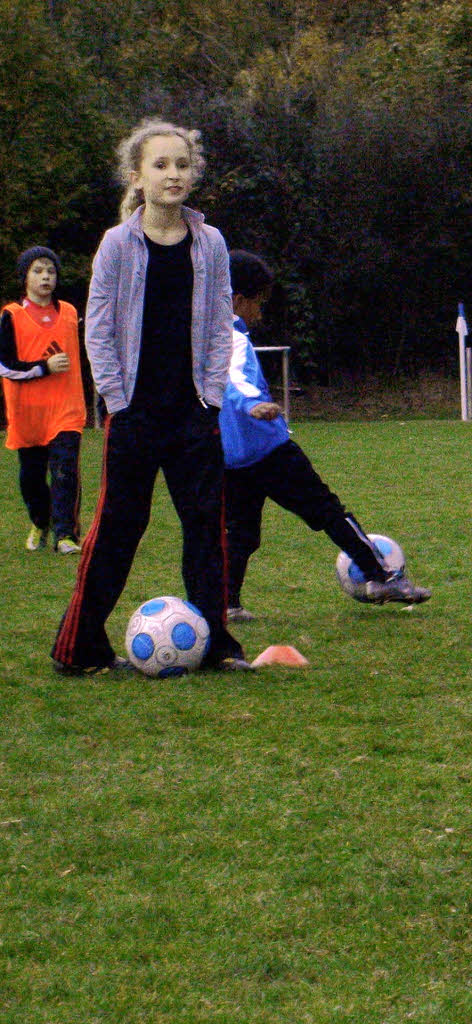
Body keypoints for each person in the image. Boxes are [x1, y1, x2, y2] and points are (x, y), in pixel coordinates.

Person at [51, 119, 251, 674]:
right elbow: (98, 329)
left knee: (206, 530)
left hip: (194, 415)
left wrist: (211, 398)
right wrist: (118, 401)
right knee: (117, 530)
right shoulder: (117, 244)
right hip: (135, 415)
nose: (173, 174)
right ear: (137, 176)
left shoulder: (211, 243)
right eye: (160, 164)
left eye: (182, 164)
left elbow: (220, 325)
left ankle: (215, 647)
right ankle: (79, 649)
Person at [220, 249, 430, 621]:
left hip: (231, 459)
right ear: (238, 301)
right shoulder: (232, 337)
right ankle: (381, 577)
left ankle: (227, 603)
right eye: (259, 304)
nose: (260, 314)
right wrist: (253, 403)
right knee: (329, 512)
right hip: (270, 451)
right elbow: (236, 377)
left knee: (240, 533)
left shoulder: (201, 334)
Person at [1, 246, 86, 554]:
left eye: (50, 271)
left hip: (66, 408)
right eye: (38, 271)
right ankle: (41, 520)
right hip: (28, 415)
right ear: (24, 277)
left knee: (66, 472)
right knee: (32, 480)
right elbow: (5, 366)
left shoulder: (71, 313)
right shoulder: (11, 316)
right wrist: (43, 367)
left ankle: (66, 535)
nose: (46, 276)